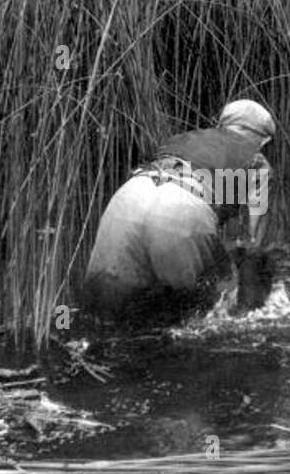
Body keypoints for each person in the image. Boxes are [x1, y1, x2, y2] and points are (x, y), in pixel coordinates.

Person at [81, 99, 275, 324]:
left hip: (128, 197)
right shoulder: (257, 161)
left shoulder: (182, 140)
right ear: (263, 140)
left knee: (103, 316)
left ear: (222, 125)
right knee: (207, 316)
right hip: (183, 210)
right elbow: (254, 240)